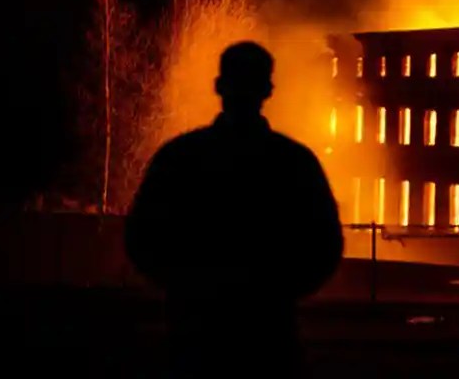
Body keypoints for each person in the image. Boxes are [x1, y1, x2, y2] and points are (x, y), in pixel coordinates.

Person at [126, 42, 343, 377]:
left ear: (218, 87)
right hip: (269, 342)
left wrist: (185, 286)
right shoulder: (293, 163)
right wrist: (276, 293)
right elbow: (325, 246)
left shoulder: (180, 158)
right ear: (269, 89)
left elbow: (141, 238)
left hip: (193, 342)